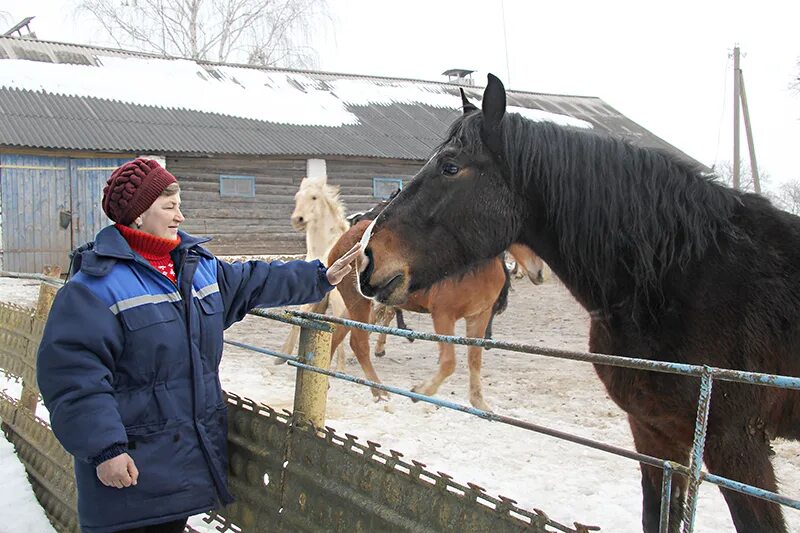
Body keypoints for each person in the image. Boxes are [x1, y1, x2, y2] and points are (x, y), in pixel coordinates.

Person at [36, 158, 360, 533]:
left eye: (180, 205)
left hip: (179, 471)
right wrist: (105, 448)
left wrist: (319, 276)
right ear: (139, 215)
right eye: (169, 206)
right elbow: (73, 379)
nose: (181, 216)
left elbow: (253, 281)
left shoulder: (196, 267)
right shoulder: (95, 288)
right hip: (127, 476)